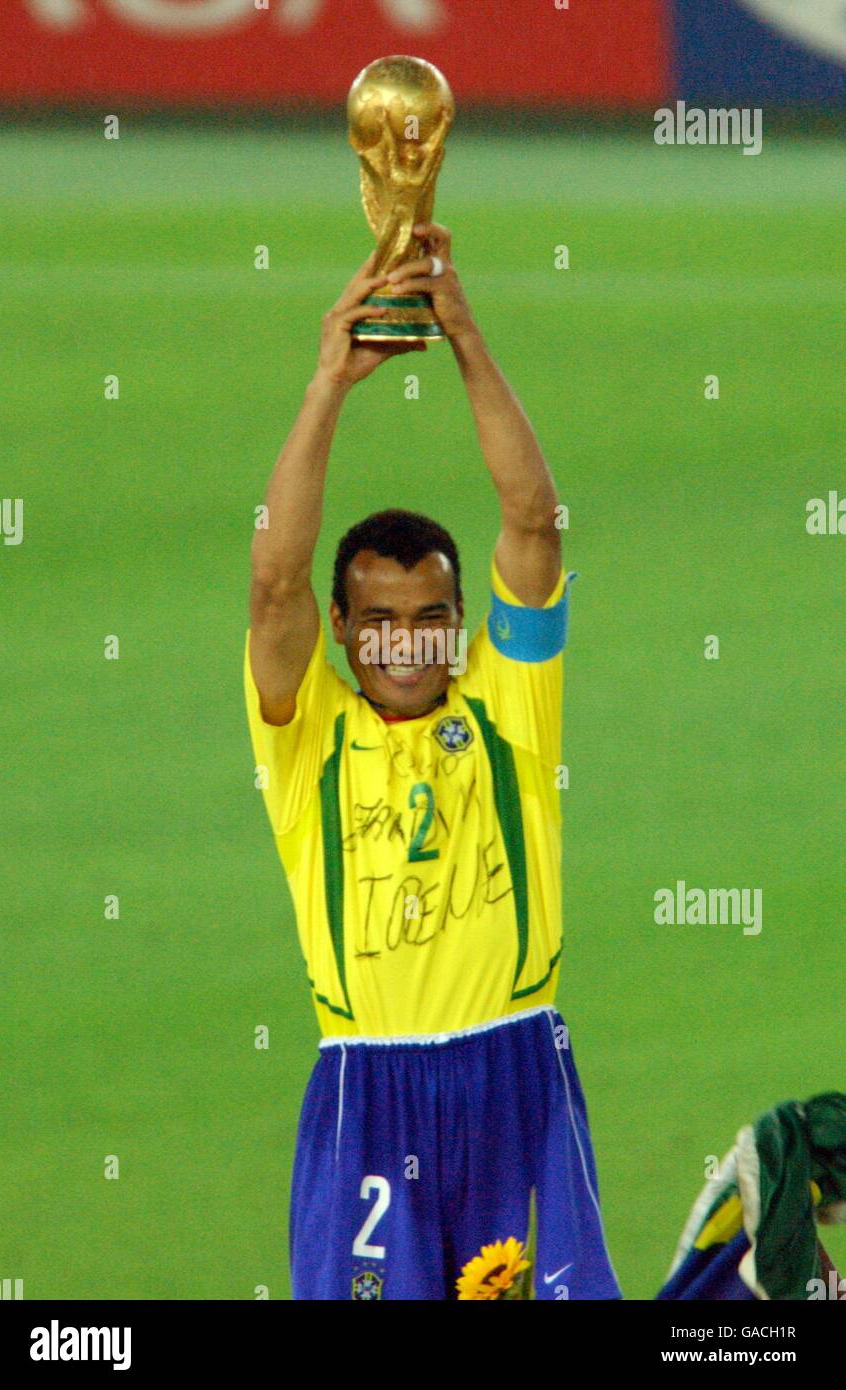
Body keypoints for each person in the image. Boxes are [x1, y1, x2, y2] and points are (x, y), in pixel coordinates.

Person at [245, 222, 620, 1301]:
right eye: (378, 620)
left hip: (516, 1079)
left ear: (461, 624)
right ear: (342, 629)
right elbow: (272, 583)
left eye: (430, 618)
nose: (405, 642)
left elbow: (533, 523)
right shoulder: (305, 733)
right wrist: (328, 383)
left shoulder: (510, 710)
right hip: (368, 1089)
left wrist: (462, 333)